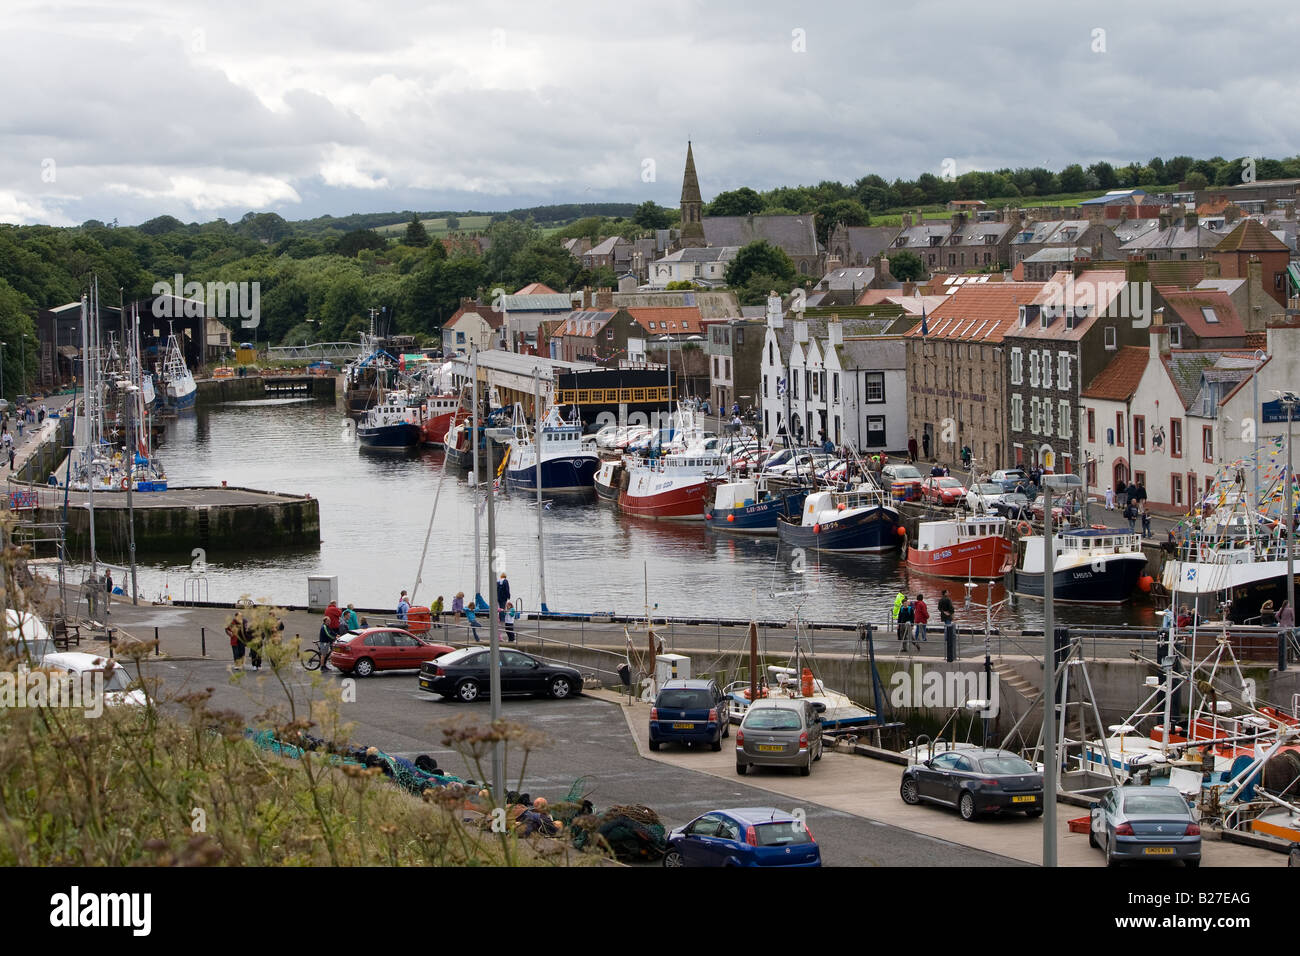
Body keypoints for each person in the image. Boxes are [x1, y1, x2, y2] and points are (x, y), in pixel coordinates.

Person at [497, 573, 516, 641]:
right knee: (503, 607)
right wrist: (508, 596)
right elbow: (507, 589)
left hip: (498, 597)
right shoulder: (505, 581)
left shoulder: (498, 581)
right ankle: (502, 618)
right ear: (505, 577)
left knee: (501, 609)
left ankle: (501, 618)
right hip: (503, 597)